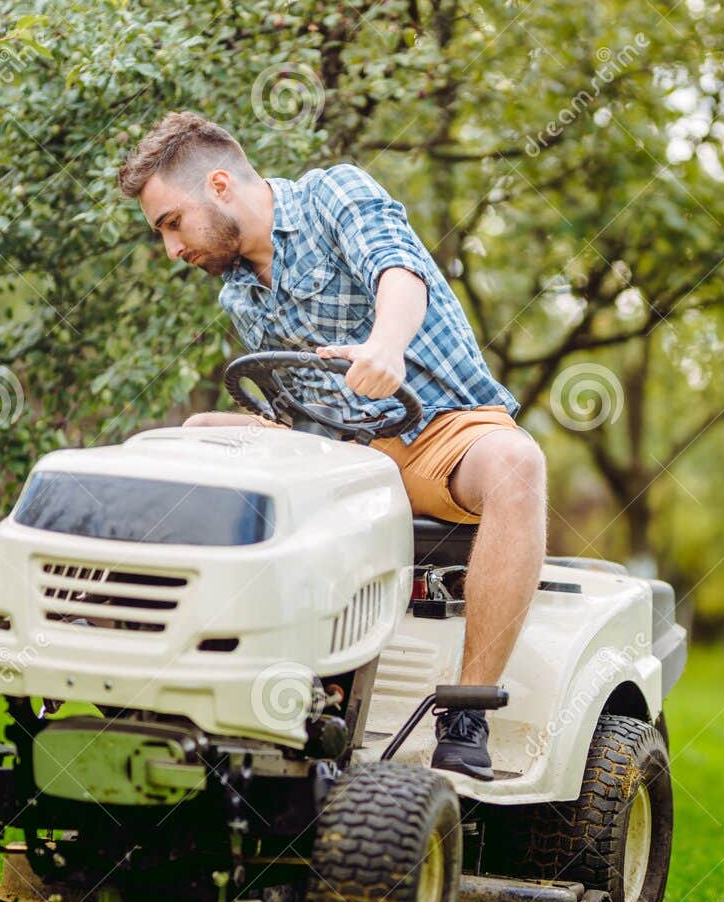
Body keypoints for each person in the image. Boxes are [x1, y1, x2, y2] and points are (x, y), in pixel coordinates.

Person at [117, 111, 546, 781]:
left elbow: (398, 270)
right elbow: (293, 412)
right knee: (184, 438)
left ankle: (466, 710)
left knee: (519, 462)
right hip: (342, 450)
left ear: (220, 186)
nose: (173, 249)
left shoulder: (332, 194)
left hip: (440, 430)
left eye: (172, 223)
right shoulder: (239, 294)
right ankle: (206, 683)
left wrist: (386, 344)